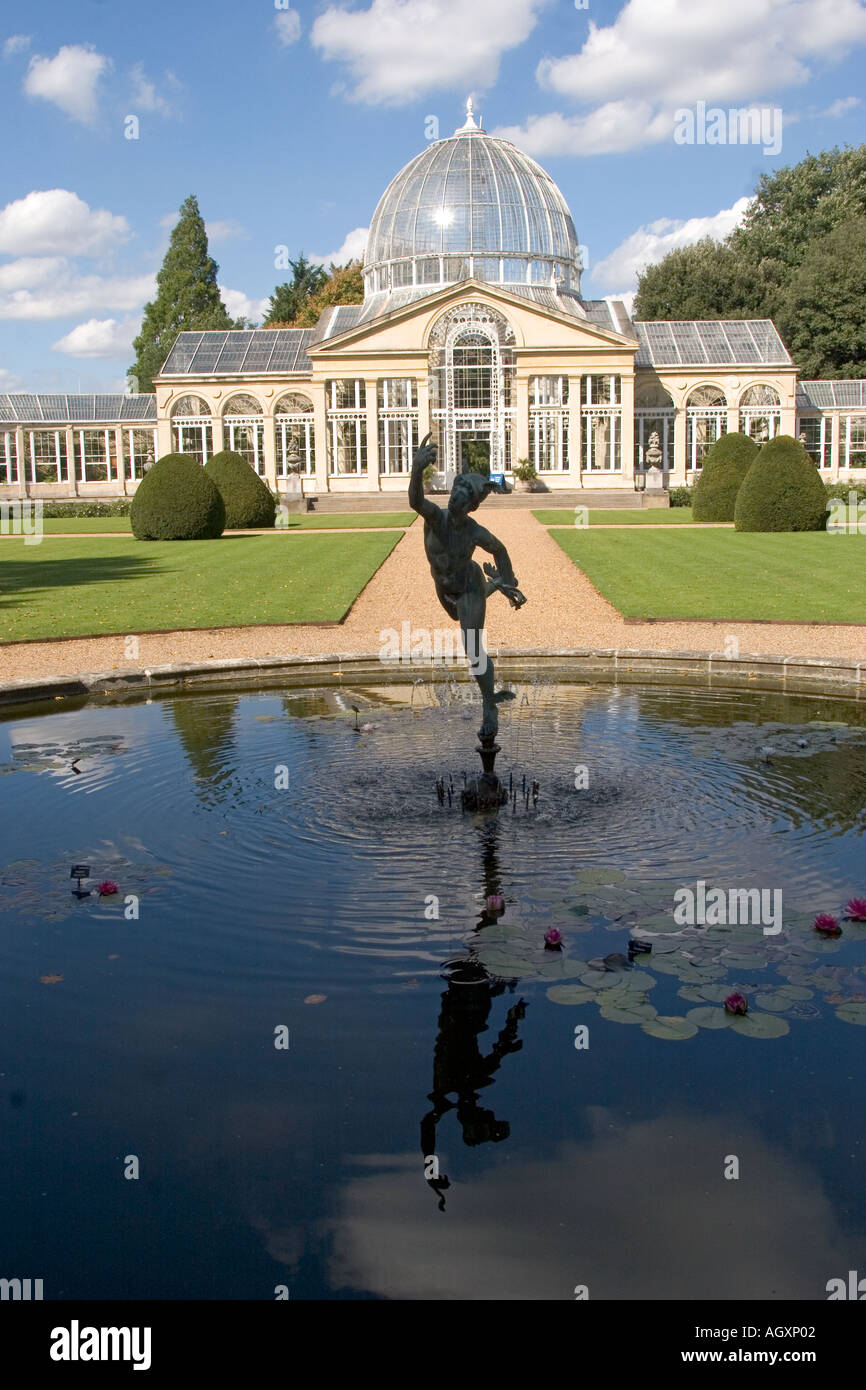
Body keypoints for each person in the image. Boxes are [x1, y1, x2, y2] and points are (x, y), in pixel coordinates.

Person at [408, 433, 526, 738]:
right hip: (443, 588)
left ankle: (489, 706)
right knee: (459, 615)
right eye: (456, 488)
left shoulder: (474, 531)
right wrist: (416, 469)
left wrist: (511, 581)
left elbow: (499, 549)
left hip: (468, 584)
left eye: (463, 492)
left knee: (472, 647)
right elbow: (416, 501)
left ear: (472, 504)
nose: (455, 495)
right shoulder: (436, 518)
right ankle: (495, 585)